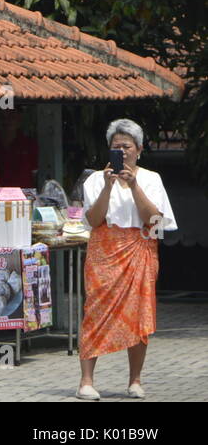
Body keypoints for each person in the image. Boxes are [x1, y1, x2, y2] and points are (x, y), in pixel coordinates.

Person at [76, 119, 177, 400]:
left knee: (139, 314)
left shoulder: (151, 179)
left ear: (139, 150)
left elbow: (154, 220)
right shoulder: (96, 180)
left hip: (140, 249)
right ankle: (86, 381)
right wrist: (108, 186)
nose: (122, 151)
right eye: (116, 147)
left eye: (127, 146)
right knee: (95, 312)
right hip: (104, 252)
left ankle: (135, 380)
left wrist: (133, 185)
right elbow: (93, 220)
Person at [0, 107, 39, 191]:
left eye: (11, 116)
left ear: (19, 118)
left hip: (24, 195)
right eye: (2, 117)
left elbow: (35, 176)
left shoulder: (29, 144)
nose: (6, 121)